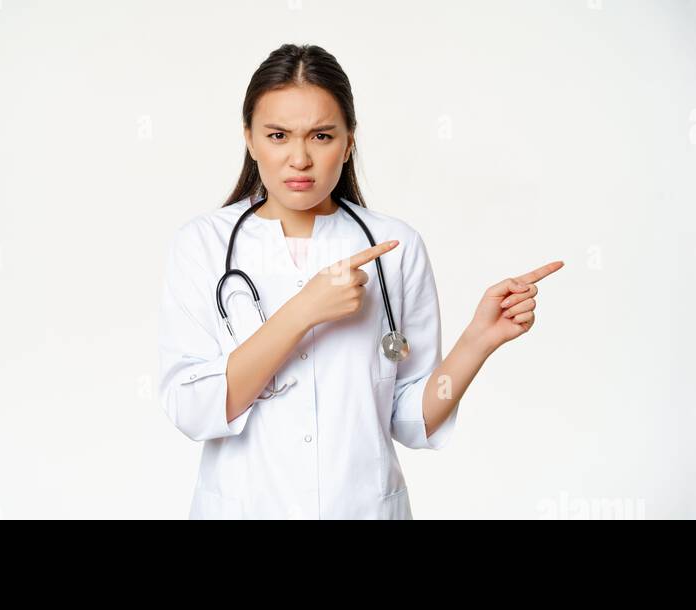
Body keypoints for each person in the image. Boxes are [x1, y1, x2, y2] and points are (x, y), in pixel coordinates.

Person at [157, 43, 563, 519]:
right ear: (249, 138)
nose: (300, 158)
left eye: (322, 136)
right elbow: (192, 408)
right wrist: (304, 310)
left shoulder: (396, 245)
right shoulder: (201, 245)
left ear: (349, 141)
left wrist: (478, 339)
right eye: (278, 135)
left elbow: (412, 420)